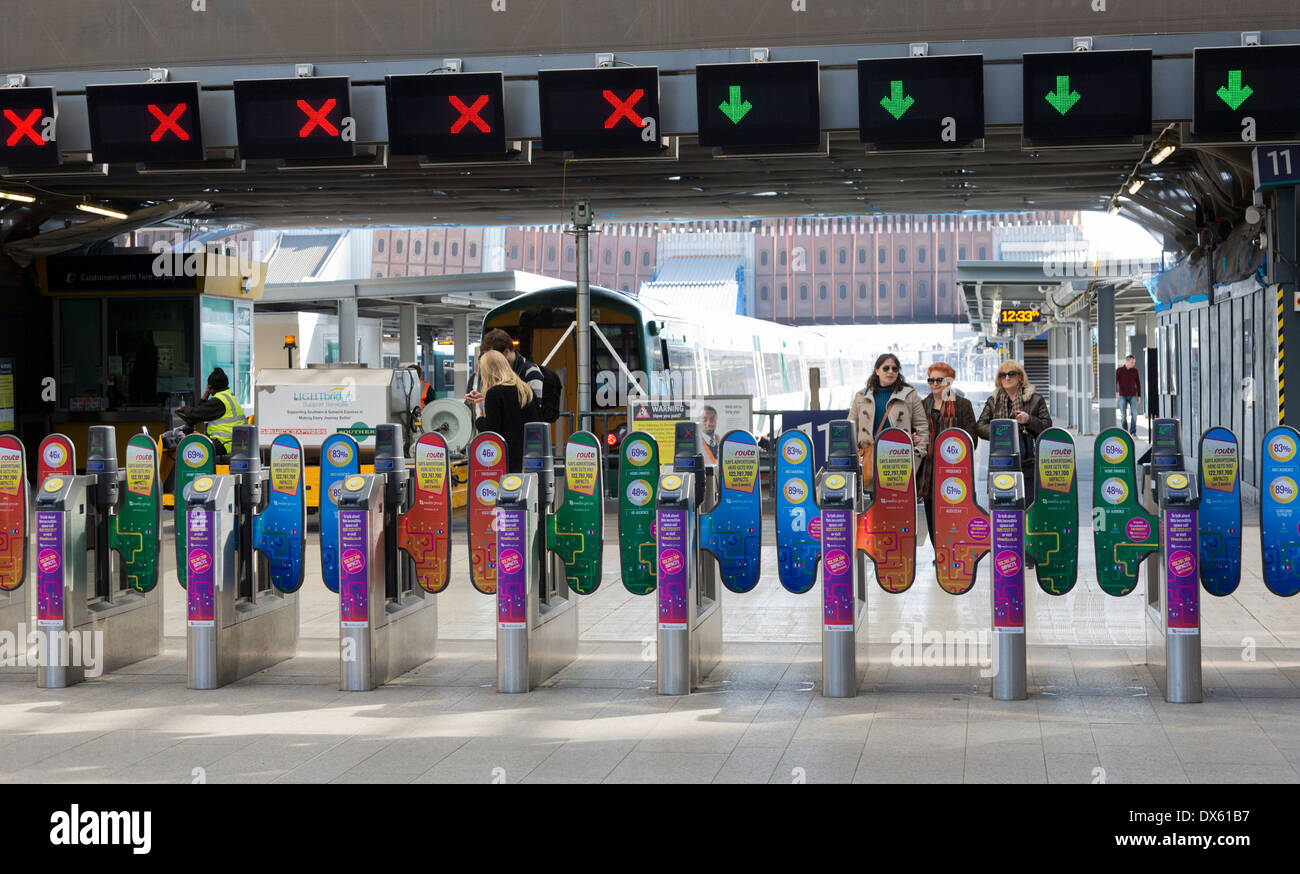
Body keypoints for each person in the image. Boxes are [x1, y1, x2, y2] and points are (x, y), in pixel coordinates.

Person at [976, 359, 1052, 506]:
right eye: (1002, 375)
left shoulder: (1035, 400)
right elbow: (980, 427)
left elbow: (1047, 427)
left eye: (1011, 374)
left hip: (1028, 464)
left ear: (1020, 378)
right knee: (1001, 509)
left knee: (1028, 506)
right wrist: (1003, 431)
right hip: (1000, 463)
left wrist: (1029, 420)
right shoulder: (993, 400)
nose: (1007, 378)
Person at [917, 363, 979, 539]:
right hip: (928, 475)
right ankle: (939, 553)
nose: (934, 383)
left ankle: (953, 551)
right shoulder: (922, 406)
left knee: (954, 517)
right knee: (932, 518)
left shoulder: (963, 405)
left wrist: (955, 450)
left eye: (939, 380)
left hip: (955, 474)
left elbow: (971, 439)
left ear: (949, 382)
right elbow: (916, 434)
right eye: (931, 380)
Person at [849, 353, 929, 482]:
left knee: (896, 498)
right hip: (869, 457)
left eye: (894, 368)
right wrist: (854, 455)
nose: (890, 372)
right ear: (877, 371)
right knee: (872, 497)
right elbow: (850, 427)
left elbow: (922, 426)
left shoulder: (909, 394)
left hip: (899, 460)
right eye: (886, 368)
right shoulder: (861, 396)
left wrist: (917, 453)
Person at [474, 350, 534, 472]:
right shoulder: (525, 389)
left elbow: (492, 432)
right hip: (528, 458)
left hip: (505, 460)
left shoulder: (494, 393)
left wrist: (479, 415)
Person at [466, 328, 543, 420]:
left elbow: (533, 409)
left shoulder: (532, 372)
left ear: (506, 352)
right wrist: (486, 398)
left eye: (492, 356)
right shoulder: (500, 374)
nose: (489, 362)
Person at [174, 367, 244, 456]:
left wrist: (183, 409)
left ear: (210, 386)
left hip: (224, 445)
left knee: (192, 453)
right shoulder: (228, 396)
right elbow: (201, 410)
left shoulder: (218, 402)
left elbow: (195, 414)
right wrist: (207, 393)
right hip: (232, 444)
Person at [1116, 354, 1142, 436]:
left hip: (1133, 395)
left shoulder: (1135, 371)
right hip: (1122, 395)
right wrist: (1116, 392)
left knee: (1134, 414)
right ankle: (1125, 432)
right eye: (1132, 362)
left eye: (1134, 362)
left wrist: (1139, 395)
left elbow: (1138, 384)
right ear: (1127, 361)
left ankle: (1133, 432)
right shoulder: (1119, 370)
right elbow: (1115, 382)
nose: (1133, 364)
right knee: (1123, 415)